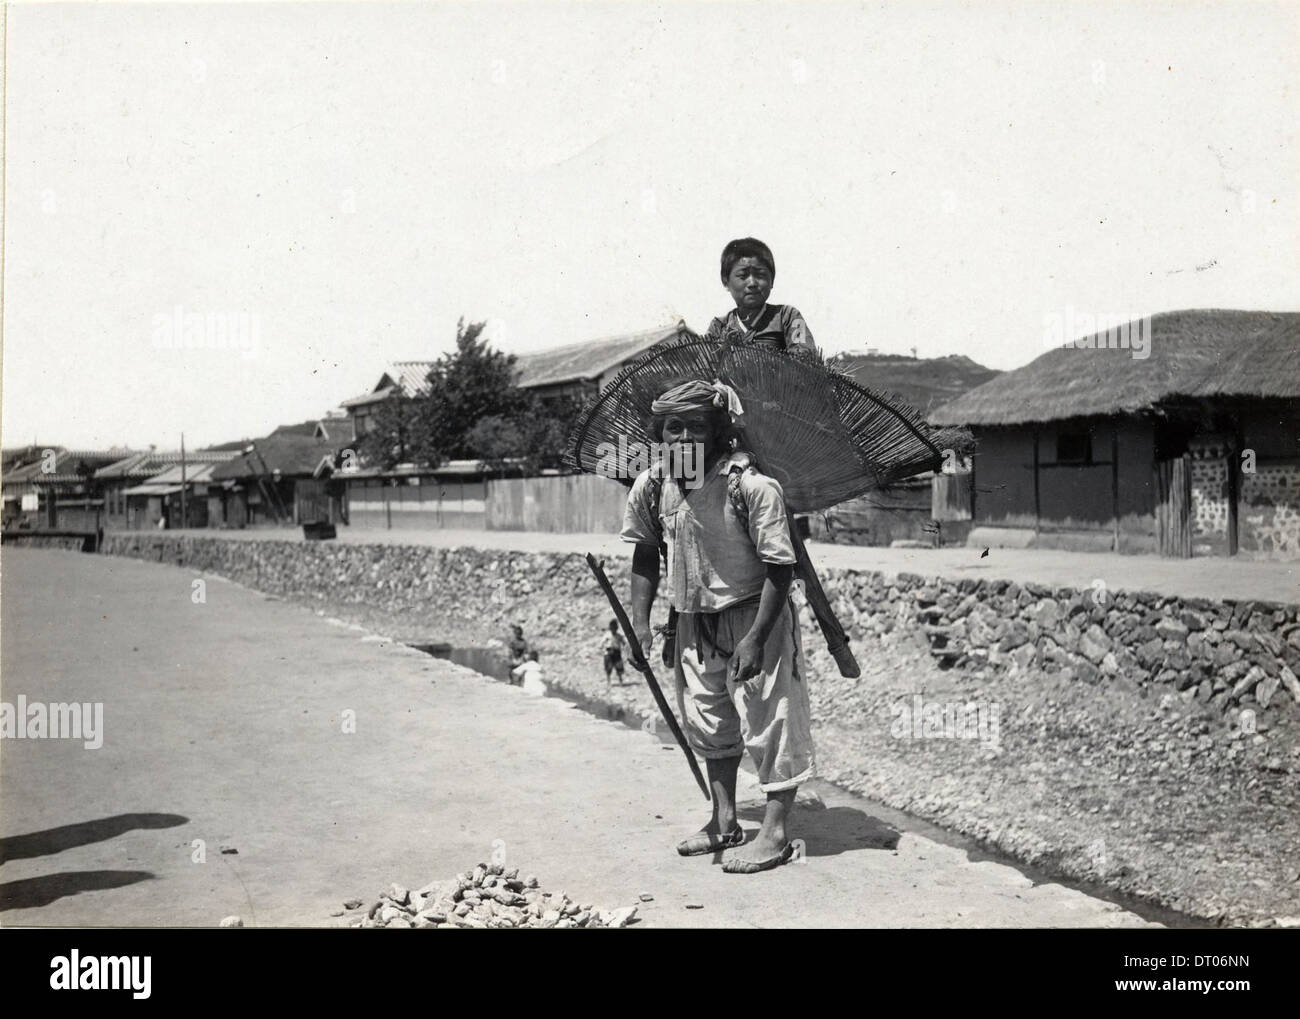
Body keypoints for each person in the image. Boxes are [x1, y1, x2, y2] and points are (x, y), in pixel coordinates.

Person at [621, 378, 815, 874]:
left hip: (756, 617)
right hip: (693, 623)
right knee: (709, 722)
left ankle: (773, 833)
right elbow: (646, 555)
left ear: (718, 432)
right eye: (672, 428)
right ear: (659, 434)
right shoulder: (653, 485)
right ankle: (724, 820)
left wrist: (755, 638)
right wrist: (640, 626)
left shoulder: (750, 486)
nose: (682, 438)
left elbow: (780, 567)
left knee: (770, 721)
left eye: (695, 427)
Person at [704, 238, 817, 355]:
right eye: (743, 276)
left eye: (760, 275)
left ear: (772, 280)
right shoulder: (719, 326)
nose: (752, 283)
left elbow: (806, 361)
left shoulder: (787, 317)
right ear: (725, 281)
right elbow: (703, 367)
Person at [602, 619, 626, 684]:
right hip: (608, 653)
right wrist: (605, 649)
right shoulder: (607, 635)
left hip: (616, 652)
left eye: (615, 628)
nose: (613, 630)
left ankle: (620, 681)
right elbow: (602, 643)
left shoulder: (619, 636)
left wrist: (624, 649)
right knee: (608, 667)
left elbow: (624, 643)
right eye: (612, 628)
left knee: (619, 667)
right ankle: (608, 681)